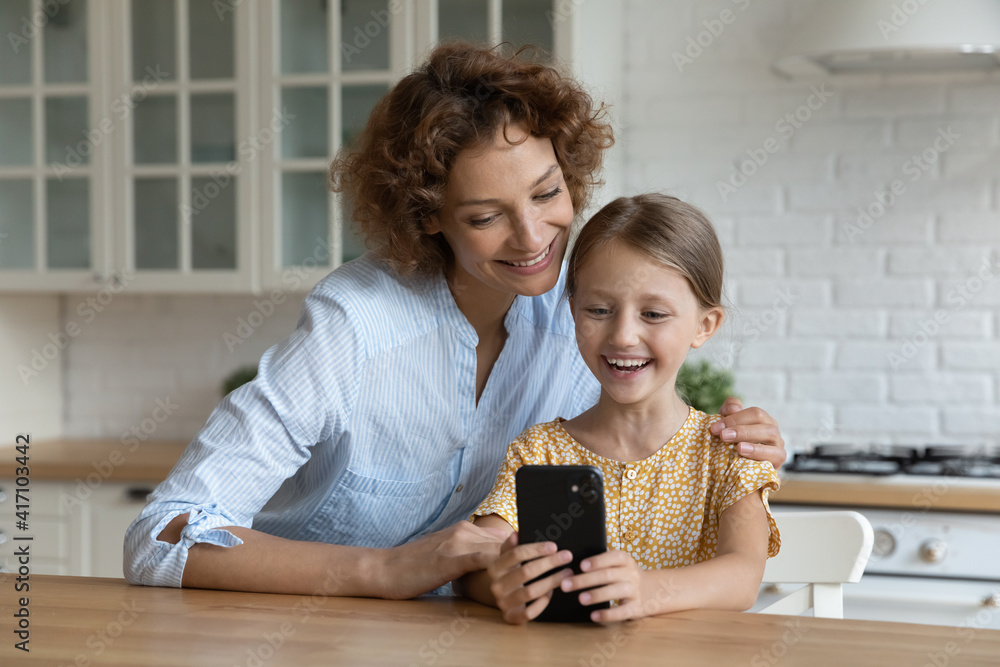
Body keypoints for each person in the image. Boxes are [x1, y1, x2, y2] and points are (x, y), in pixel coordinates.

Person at [123, 42, 786, 599]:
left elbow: (646, 410)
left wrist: (734, 436)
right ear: (428, 216)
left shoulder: (582, 313)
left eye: (547, 192)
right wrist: (383, 570)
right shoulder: (356, 325)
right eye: (485, 216)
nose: (533, 237)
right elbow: (159, 536)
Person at [458, 194, 780, 624]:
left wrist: (645, 591)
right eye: (599, 310)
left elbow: (743, 577)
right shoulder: (539, 452)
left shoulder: (728, 454)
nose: (624, 335)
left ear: (705, 326)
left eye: (654, 314)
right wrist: (501, 583)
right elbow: (476, 567)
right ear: (573, 312)